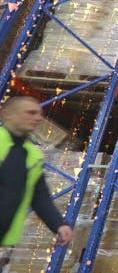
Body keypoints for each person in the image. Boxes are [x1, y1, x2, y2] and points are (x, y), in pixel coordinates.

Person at [0, 96, 73, 248]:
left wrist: (59, 224)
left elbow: (38, 195)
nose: (38, 118)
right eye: (31, 113)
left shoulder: (32, 154)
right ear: (8, 114)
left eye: (39, 113)